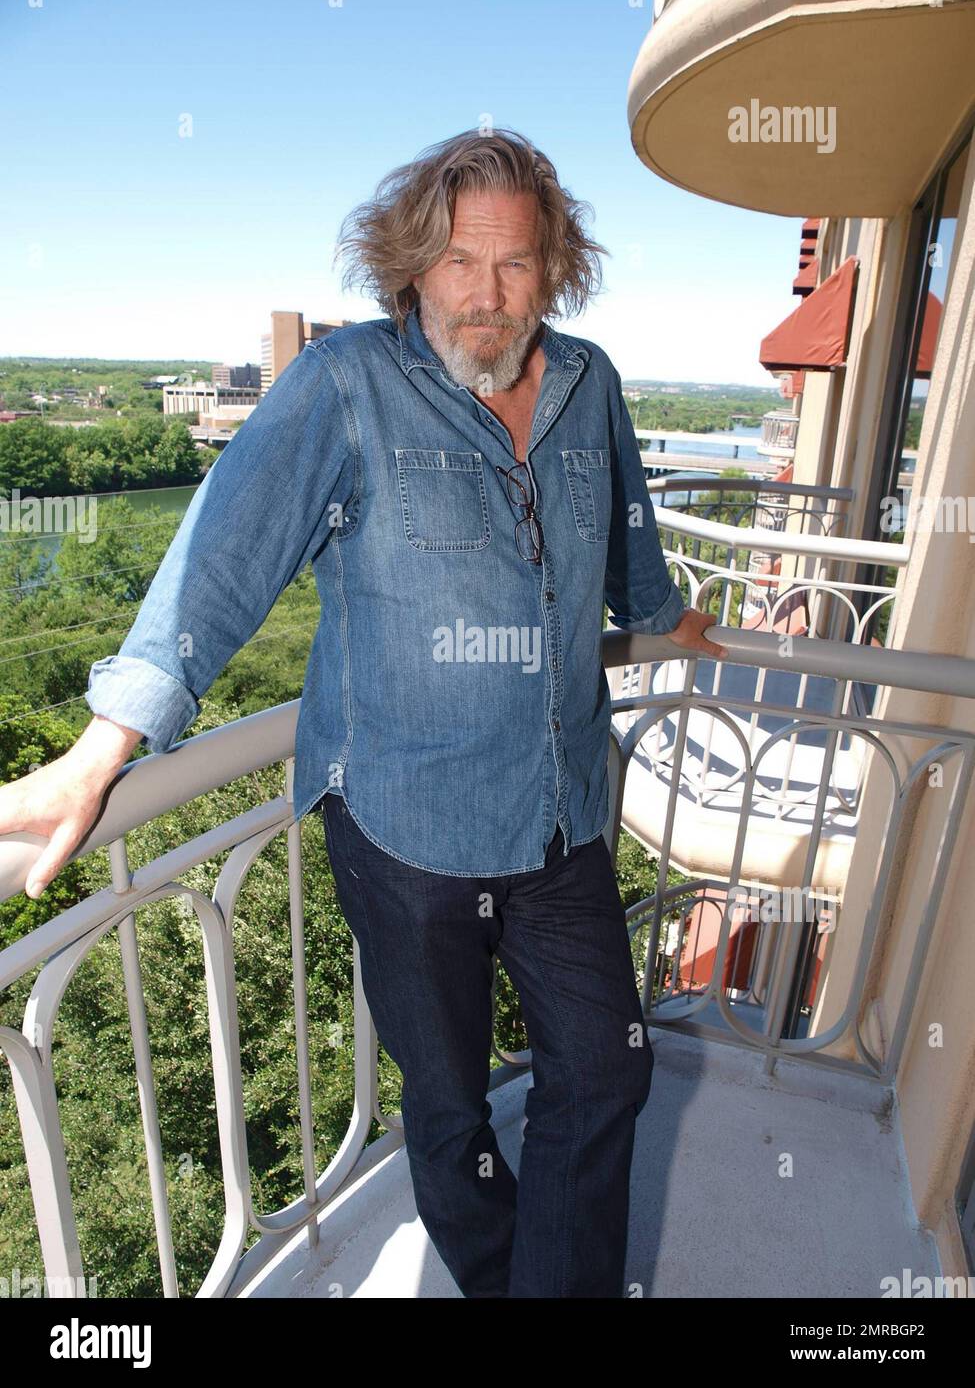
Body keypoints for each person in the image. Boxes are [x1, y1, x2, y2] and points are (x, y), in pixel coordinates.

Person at [0, 127, 727, 1297]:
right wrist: (102, 749)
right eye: (457, 263)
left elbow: (627, 537)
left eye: (516, 265)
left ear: (555, 269)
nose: (487, 299)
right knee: (445, 1108)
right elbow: (221, 562)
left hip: (561, 811)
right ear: (409, 267)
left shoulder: (591, 383)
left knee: (604, 1073)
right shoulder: (344, 387)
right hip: (401, 818)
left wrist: (667, 614)